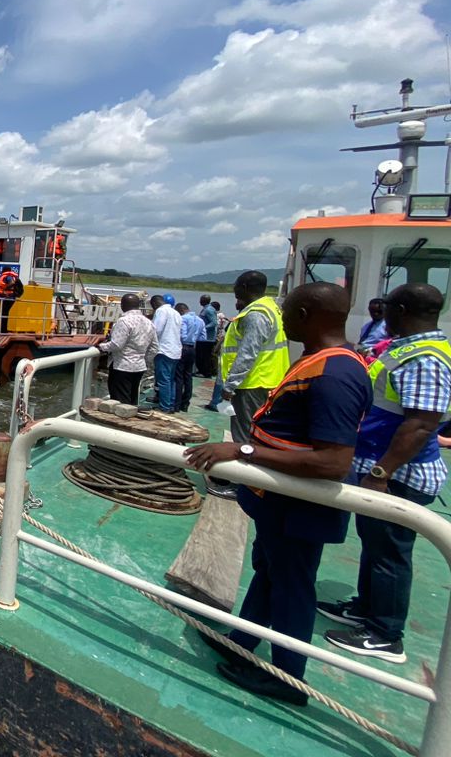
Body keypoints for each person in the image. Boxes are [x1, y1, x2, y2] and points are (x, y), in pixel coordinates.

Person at [185, 282, 372, 705]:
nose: (282, 321)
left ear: (307, 315)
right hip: (279, 502)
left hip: (299, 507)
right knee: (270, 572)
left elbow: (333, 462)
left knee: (292, 584)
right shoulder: (318, 362)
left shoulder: (335, 373)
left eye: (288, 312)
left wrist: (243, 449)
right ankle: (242, 642)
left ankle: (288, 677)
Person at [318, 283, 451, 664]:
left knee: (390, 553)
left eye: (388, 306)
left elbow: (421, 425)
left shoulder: (426, 358)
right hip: (379, 466)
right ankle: (366, 607)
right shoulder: (405, 348)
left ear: (403, 309)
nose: (382, 311)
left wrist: (380, 472)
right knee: (375, 546)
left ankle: (384, 633)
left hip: (398, 476)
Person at [217, 271, 289, 439]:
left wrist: (230, 386)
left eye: (236, 286)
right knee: (258, 430)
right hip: (269, 379)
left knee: (245, 433)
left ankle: (243, 462)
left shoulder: (256, 315)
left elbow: (248, 353)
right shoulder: (272, 308)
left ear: (243, 287)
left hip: (252, 383)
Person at [99, 294, 158, 404]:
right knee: (132, 399)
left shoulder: (124, 321)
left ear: (122, 305)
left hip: (122, 366)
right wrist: (144, 360)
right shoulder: (149, 322)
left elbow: (117, 345)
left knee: (120, 401)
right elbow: (154, 347)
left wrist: (102, 346)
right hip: (139, 367)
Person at [151, 294, 183, 413]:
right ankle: (171, 404)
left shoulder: (161, 311)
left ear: (154, 304)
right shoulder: (176, 313)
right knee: (171, 379)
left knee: (163, 380)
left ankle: (164, 407)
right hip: (175, 350)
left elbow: (156, 329)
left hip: (164, 350)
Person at [176, 302, 205, 412]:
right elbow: (203, 336)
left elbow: (182, 335)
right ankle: (185, 403)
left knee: (178, 377)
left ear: (180, 310)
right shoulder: (200, 320)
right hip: (192, 348)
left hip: (182, 347)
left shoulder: (183, 319)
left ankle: (177, 404)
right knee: (188, 377)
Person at [196, 294, 218, 378]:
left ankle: (206, 372)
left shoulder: (209, 310)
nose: (200, 301)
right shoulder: (205, 309)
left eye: (201, 299)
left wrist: (203, 328)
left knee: (205, 356)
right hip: (203, 338)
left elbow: (214, 323)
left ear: (205, 301)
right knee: (201, 355)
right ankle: (201, 370)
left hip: (207, 338)